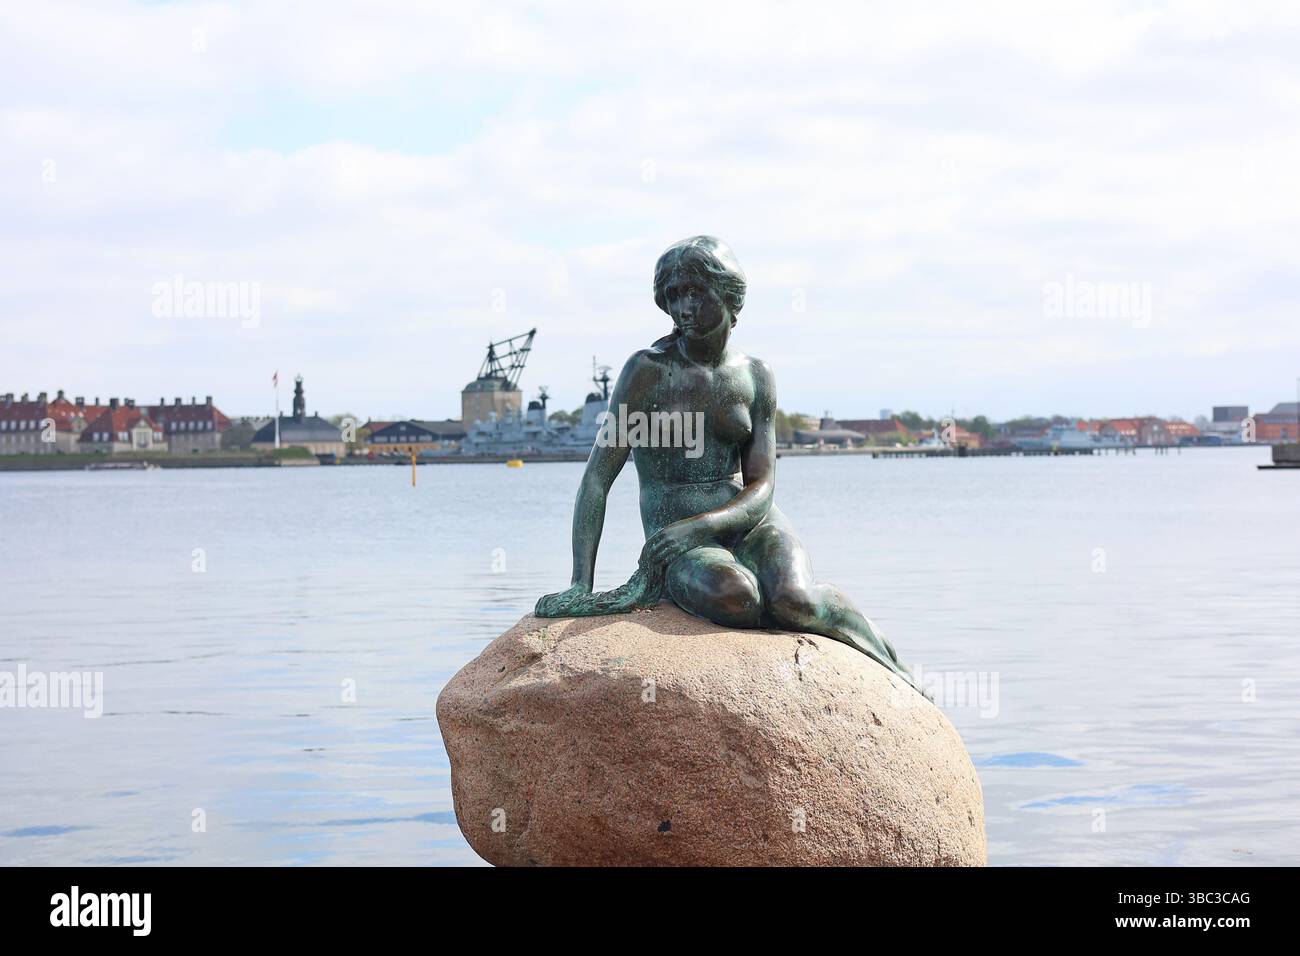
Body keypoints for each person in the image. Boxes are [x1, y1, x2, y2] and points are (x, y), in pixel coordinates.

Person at [536, 236, 914, 686]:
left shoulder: (756, 376)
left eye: (695, 292)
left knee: (795, 600)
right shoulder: (647, 372)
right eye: (673, 295)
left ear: (729, 295)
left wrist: (706, 524)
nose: (683, 308)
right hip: (677, 535)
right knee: (740, 598)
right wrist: (582, 581)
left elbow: (762, 485)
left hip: (751, 521)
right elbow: (598, 478)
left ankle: (894, 668)